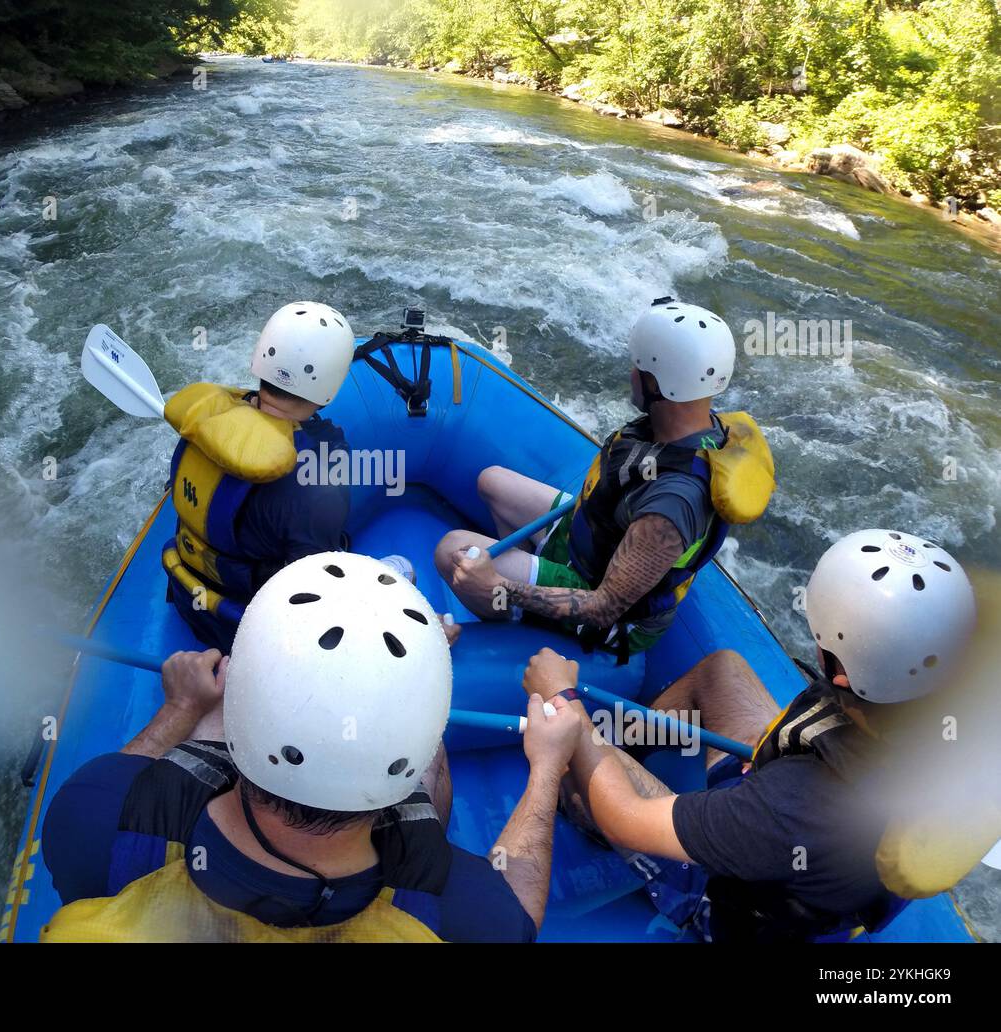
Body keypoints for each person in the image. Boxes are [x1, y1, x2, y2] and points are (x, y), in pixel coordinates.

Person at [39, 551, 576, 942]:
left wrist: (182, 706)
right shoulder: (459, 916)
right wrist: (547, 765)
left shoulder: (89, 820)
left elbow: (126, 776)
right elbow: (518, 908)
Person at [519, 528, 977, 942]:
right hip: (796, 837)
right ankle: (623, 758)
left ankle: (579, 804)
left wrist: (563, 698)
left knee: (577, 745)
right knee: (723, 672)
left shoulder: (798, 803)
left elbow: (627, 818)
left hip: (734, 900)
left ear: (842, 668)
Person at [436, 297, 774, 662]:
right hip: (595, 545)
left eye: (638, 368)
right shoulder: (689, 422)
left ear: (660, 384)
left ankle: (515, 617)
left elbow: (603, 607)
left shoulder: (670, 509)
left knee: (451, 550)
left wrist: (500, 587)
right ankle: (530, 578)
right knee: (492, 481)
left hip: (601, 605)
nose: (631, 374)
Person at [161, 301, 359, 652]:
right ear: (331, 385)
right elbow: (310, 595)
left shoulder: (205, 422)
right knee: (401, 569)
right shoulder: (317, 486)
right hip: (242, 630)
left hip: (186, 594)